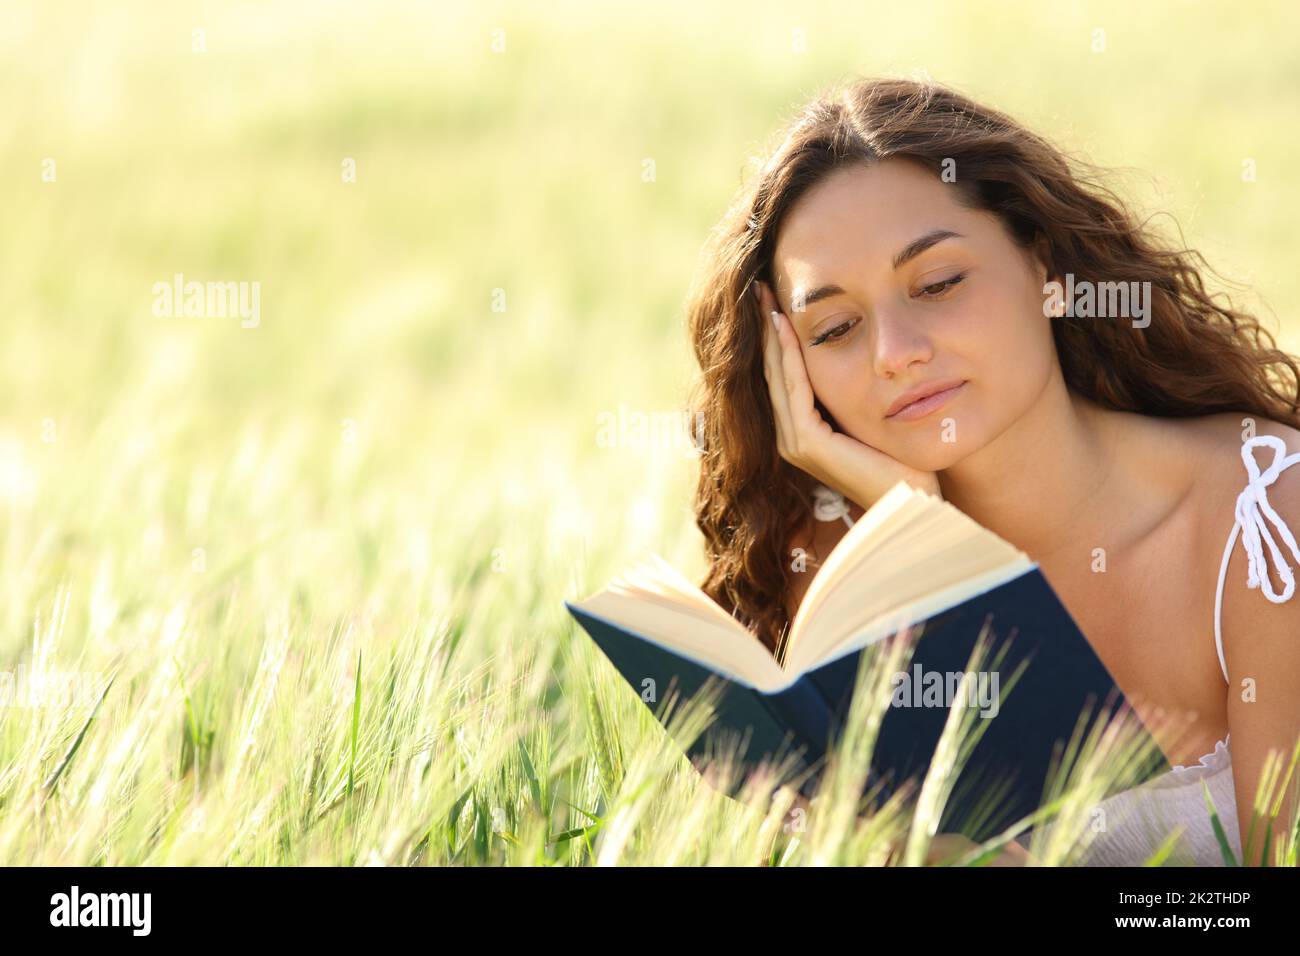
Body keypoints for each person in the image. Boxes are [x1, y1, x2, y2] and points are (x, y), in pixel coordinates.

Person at [684, 75, 1300, 865]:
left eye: (938, 284)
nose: (896, 352)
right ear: (786, 366)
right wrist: (918, 541)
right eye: (835, 328)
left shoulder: (1263, 525)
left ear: (1040, 262)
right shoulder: (833, 563)